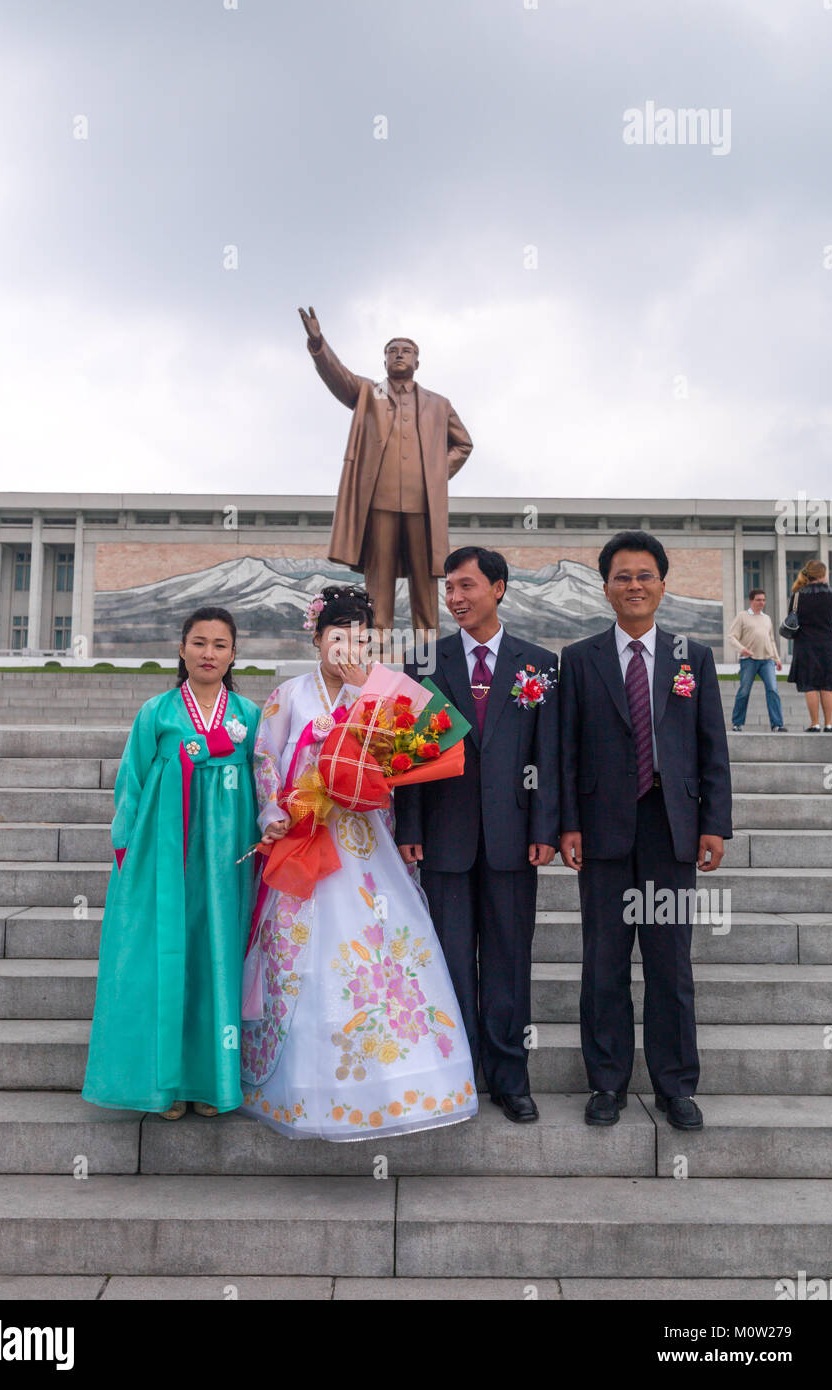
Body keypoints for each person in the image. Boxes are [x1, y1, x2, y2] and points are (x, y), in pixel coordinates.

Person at [239, 584, 478, 1140]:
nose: (348, 646)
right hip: (305, 839)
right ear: (317, 638)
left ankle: (399, 1083)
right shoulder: (288, 696)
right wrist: (274, 809)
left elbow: (407, 758)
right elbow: (266, 760)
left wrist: (365, 702)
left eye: (360, 637)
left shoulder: (383, 692)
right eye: (337, 635)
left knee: (379, 952)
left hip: (365, 840)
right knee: (302, 956)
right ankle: (300, 1090)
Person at [559, 531, 732, 1132]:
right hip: (603, 830)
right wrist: (568, 824)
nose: (634, 586)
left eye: (644, 575)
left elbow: (712, 747)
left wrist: (714, 824)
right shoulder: (579, 659)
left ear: (663, 583)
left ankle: (675, 1085)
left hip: (670, 827)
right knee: (603, 961)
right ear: (605, 586)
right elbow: (565, 750)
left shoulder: (694, 657)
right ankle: (606, 1082)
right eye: (622, 576)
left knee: (669, 964)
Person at [394, 547, 561, 1124]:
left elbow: (550, 755)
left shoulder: (537, 664)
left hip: (516, 838)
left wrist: (546, 827)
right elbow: (409, 753)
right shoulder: (422, 661)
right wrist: (410, 825)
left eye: (467, 586)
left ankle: (510, 1076)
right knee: (450, 961)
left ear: (499, 588)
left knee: (510, 960)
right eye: (449, 589)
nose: (456, 599)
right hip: (444, 837)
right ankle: (456, 1071)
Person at [82, 607, 261, 1119]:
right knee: (167, 960)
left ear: (233, 654)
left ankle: (211, 1081)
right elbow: (131, 785)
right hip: (166, 854)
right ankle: (165, 1083)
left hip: (227, 862)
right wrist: (127, 849)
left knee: (216, 957)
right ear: (181, 650)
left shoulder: (248, 716)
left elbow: (264, 783)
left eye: (220, 645)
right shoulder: (157, 713)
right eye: (199, 643)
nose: (209, 653)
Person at [298, 305, 473, 635]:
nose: (399, 355)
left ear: (417, 362)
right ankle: (376, 645)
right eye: (392, 351)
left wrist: (436, 474)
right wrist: (319, 344)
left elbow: (463, 444)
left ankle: (428, 645)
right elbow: (340, 377)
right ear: (384, 361)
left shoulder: (439, 403)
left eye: (406, 351)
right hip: (379, 503)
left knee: (425, 579)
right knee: (378, 581)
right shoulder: (369, 392)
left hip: (423, 506)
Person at [786, 559, 832, 732]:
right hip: (827, 644)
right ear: (823, 574)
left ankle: (815, 723)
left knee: (810, 684)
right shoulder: (831, 595)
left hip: (805, 643)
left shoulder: (798, 595)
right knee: (827, 685)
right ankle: (829, 723)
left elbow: (792, 617)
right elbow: (831, 617)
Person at [728, 588, 786, 731]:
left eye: (763, 600)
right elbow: (731, 636)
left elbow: (771, 640)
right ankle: (737, 723)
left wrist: (777, 659)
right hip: (749, 660)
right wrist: (742, 649)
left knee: (773, 690)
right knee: (744, 691)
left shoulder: (767, 618)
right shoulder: (742, 616)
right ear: (751, 600)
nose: (762, 603)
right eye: (759, 600)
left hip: (767, 660)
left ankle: (777, 725)